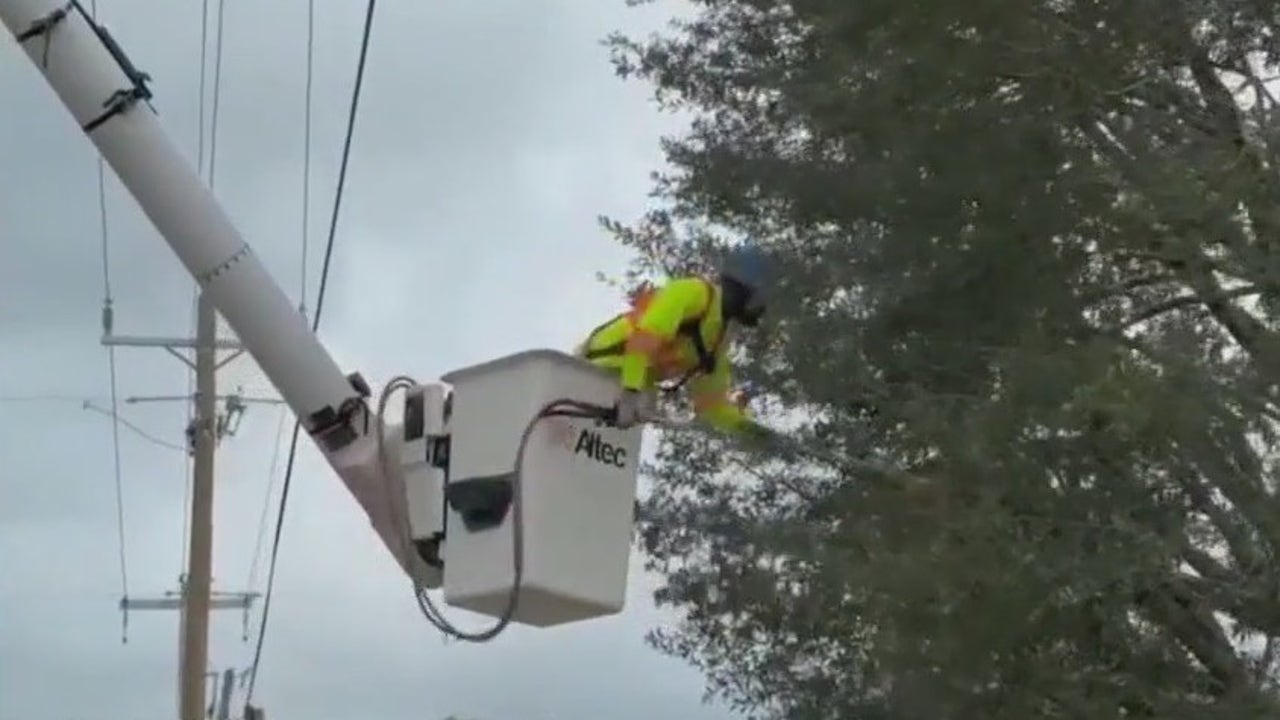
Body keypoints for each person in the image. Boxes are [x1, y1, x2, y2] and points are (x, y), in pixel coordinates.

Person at [573, 245, 778, 440]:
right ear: (747, 288)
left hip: (627, 392)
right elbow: (642, 341)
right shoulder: (692, 292)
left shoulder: (716, 341)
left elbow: (712, 408)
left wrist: (761, 436)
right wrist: (630, 393)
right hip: (595, 368)